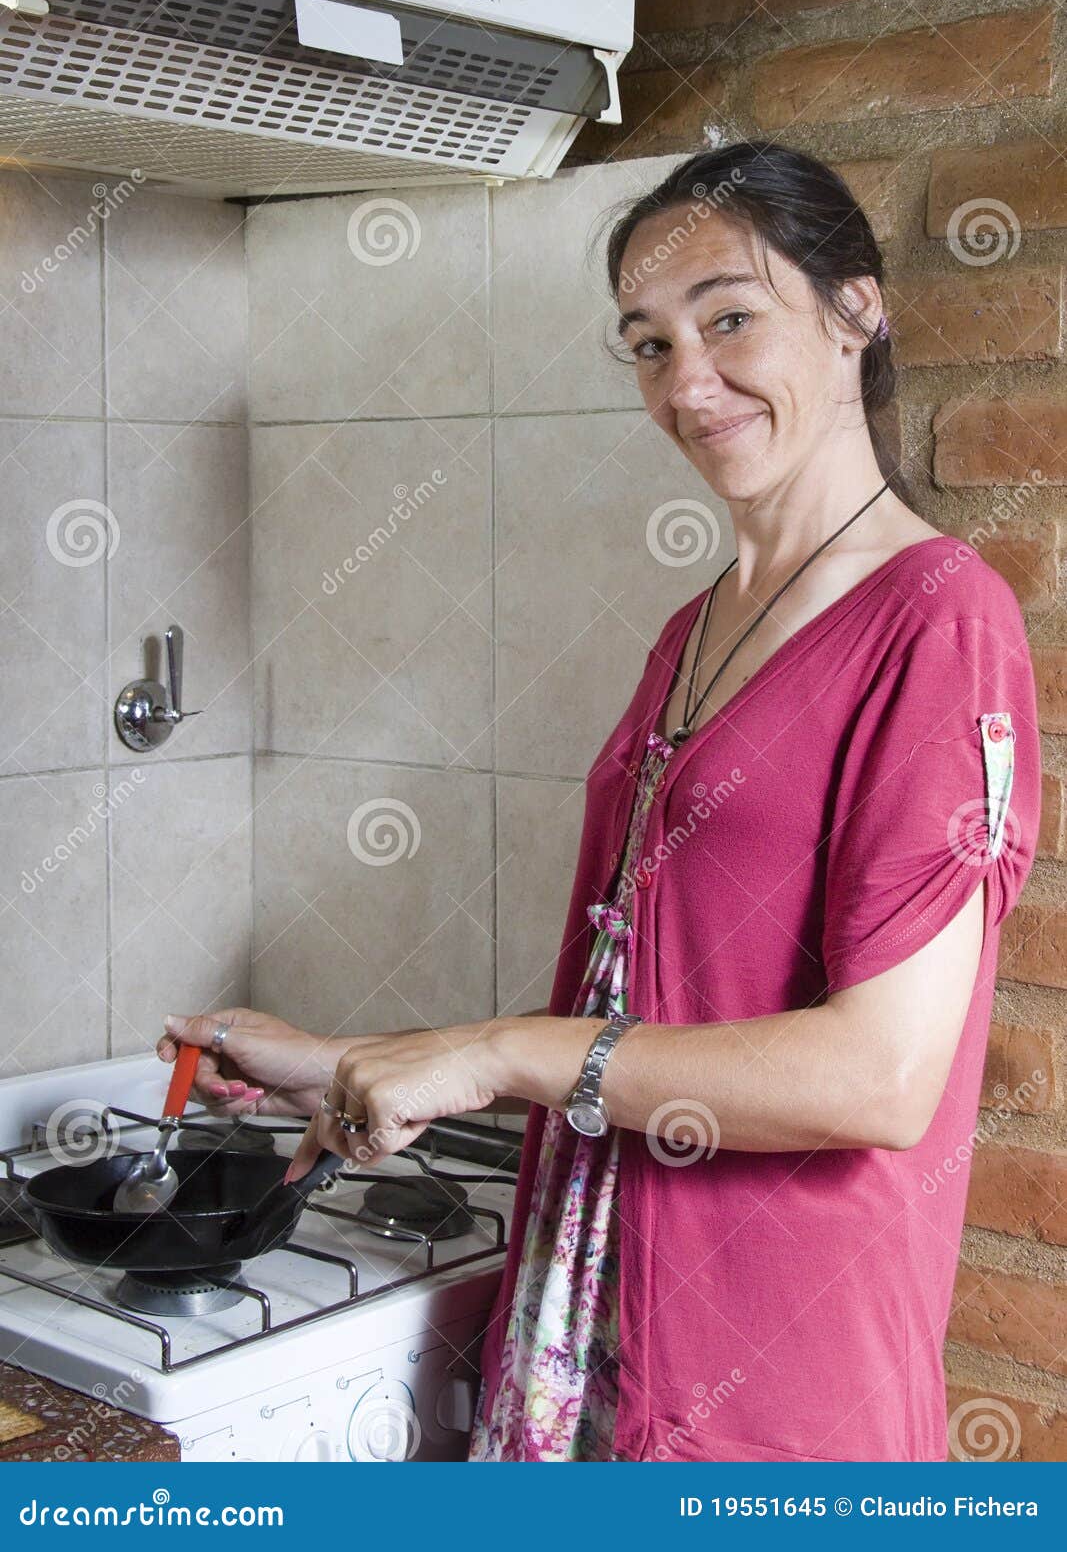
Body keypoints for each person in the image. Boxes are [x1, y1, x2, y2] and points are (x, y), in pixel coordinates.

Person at [158, 141, 1041, 1464]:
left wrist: (494, 1050)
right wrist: (346, 1058)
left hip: (774, 1396)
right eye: (646, 342)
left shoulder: (937, 617)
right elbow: (638, 1026)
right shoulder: (693, 631)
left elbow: (880, 1075)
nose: (687, 383)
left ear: (857, 310)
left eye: (729, 318)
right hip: (593, 1339)